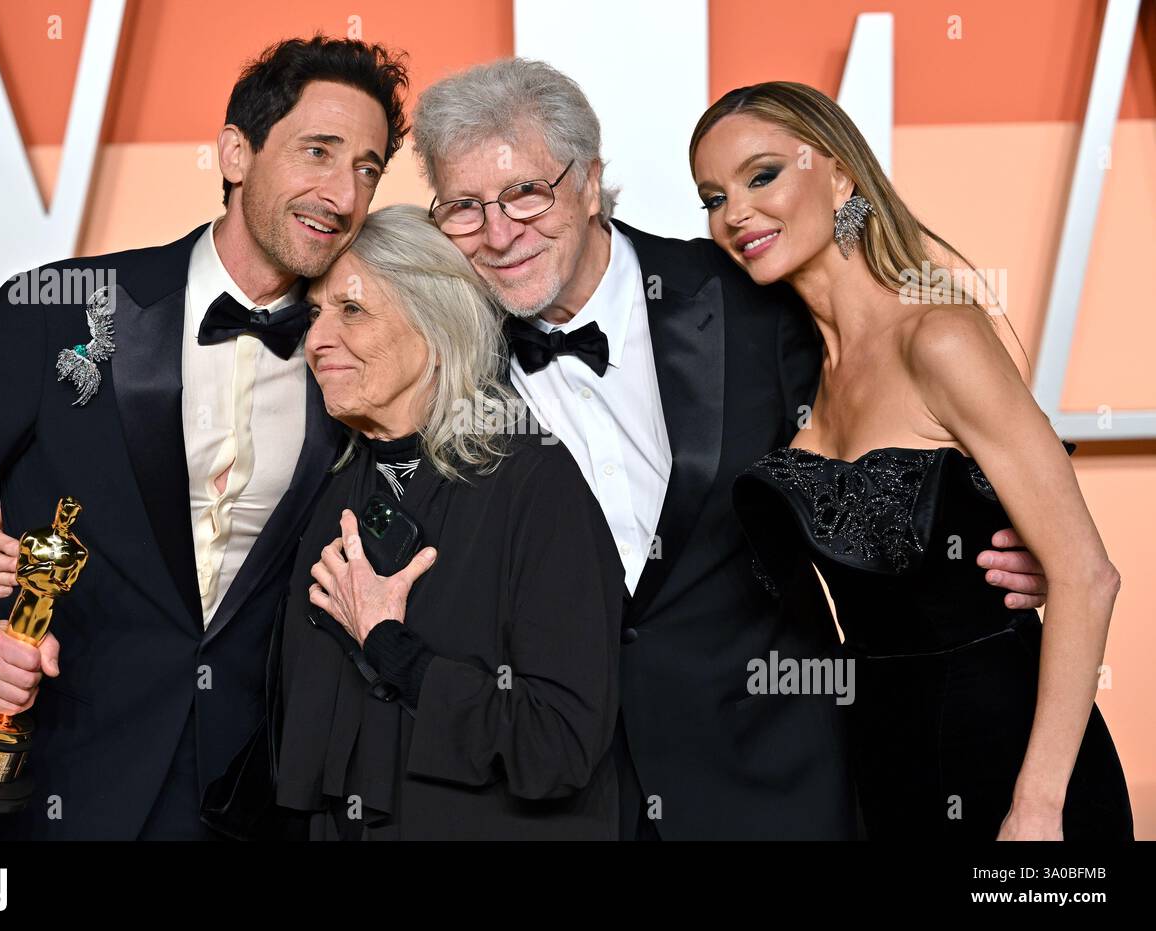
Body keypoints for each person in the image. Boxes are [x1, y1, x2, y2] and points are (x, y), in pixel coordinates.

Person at [409, 58, 1054, 839]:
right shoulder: (438, 351)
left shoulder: (752, 293)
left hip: (774, 776)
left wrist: (997, 546)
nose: (500, 231)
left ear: (587, 183)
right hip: (563, 794)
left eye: (524, 192)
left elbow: (902, 435)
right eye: (464, 209)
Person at [0, 35, 407, 840]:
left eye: (367, 168)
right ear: (235, 152)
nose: (342, 192)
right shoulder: (57, 308)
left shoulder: (355, 357)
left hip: (236, 803)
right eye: (318, 152)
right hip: (45, 784)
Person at [693, 81, 1133, 839]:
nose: (734, 212)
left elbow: (1087, 575)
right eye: (712, 194)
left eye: (762, 175)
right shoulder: (803, 372)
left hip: (1013, 761)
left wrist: (1037, 805)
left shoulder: (939, 338)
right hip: (883, 763)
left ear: (841, 175)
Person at [275, 204, 624, 839]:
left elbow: (560, 741)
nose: (317, 340)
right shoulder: (332, 492)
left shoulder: (535, 485)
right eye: (315, 313)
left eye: (351, 310)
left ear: (436, 326)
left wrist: (392, 648)